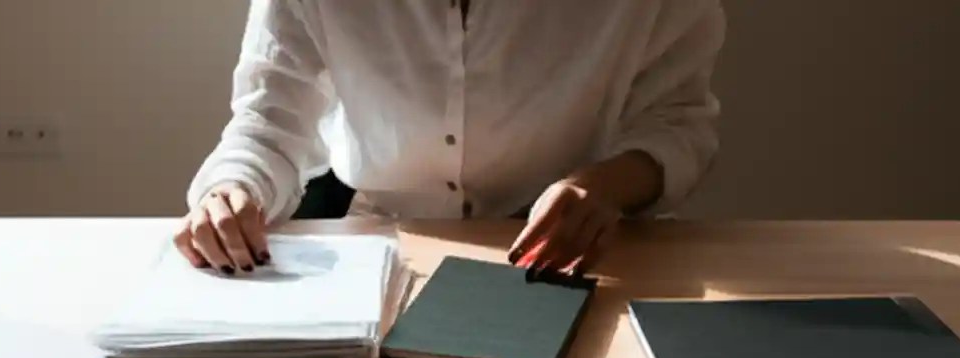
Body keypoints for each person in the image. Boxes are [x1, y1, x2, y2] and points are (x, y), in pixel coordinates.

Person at [175, 0, 726, 277]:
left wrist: (602, 187)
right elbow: (270, 122)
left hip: (582, 260)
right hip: (379, 260)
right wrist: (232, 189)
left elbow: (678, 121)